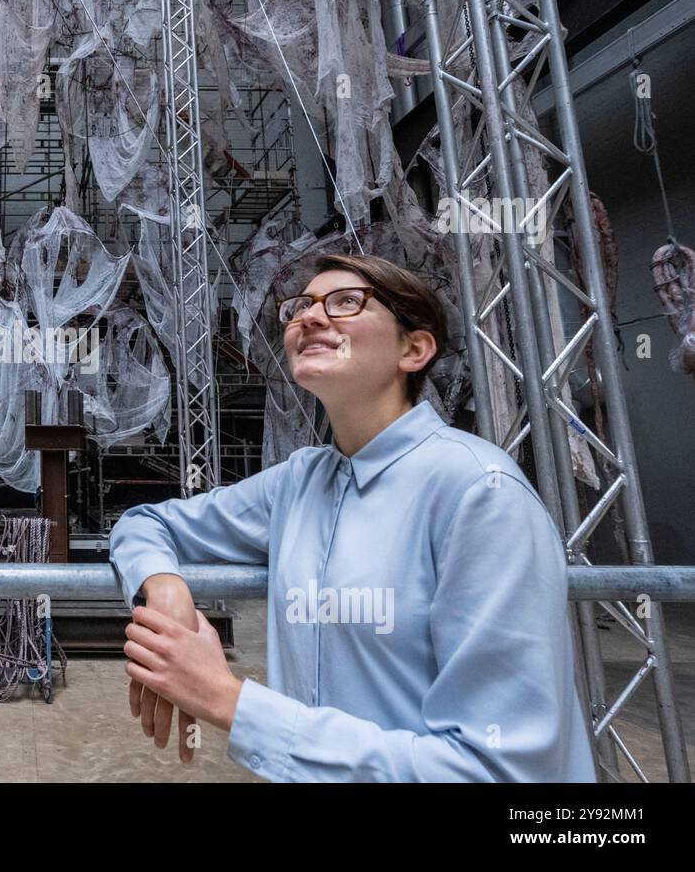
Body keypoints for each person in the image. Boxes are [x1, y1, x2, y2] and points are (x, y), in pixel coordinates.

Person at [109, 253, 597, 782]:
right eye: (300, 307)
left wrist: (228, 700)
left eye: (346, 303)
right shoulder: (298, 483)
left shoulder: (480, 494)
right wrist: (165, 590)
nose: (310, 318)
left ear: (414, 349)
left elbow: (497, 770)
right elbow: (144, 523)